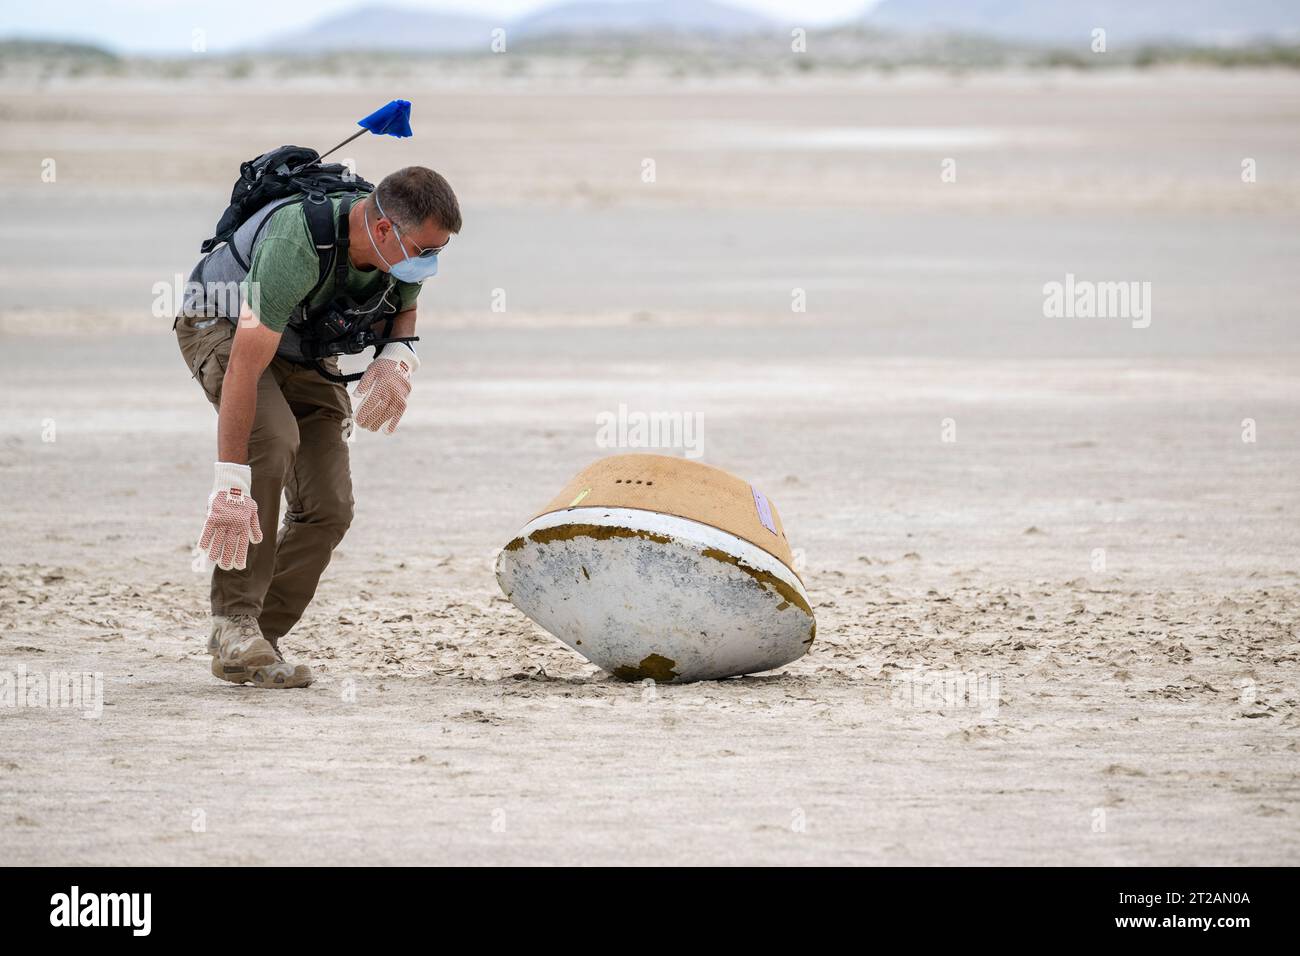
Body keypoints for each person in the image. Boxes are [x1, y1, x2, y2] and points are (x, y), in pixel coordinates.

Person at [175, 165, 461, 689]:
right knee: (273, 440)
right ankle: (234, 623)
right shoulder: (296, 244)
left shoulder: (396, 251)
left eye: (439, 251)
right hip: (225, 327)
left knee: (329, 506)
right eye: (426, 249)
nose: (430, 261)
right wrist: (231, 484)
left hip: (303, 346)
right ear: (381, 230)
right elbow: (244, 365)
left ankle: (257, 637)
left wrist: (397, 357)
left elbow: (403, 308)